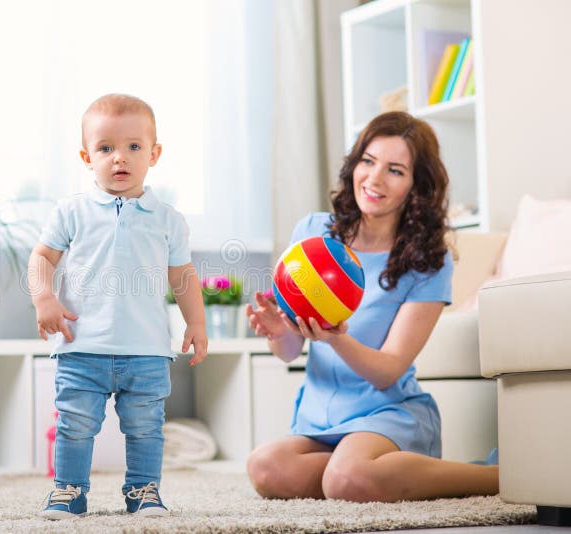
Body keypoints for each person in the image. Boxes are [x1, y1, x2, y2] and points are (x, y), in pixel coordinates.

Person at [245, 111, 498, 502]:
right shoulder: (312, 234)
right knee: (266, 468)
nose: (374, 179)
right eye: (368, 161)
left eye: (395, 170)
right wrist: (279, 332)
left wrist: (335, 338)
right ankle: (364, 473)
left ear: (416, 186)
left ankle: (496, 476)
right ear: (354, 164)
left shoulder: (427, 260)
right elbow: (291, 350)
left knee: (348, 480)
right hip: (322, 417)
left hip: (386, 413)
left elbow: (389, 370)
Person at [28, 94, 208, 519]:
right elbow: (41, 258)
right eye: (105, 148)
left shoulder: (167, 219)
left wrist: (196, 323)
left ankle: (143, 491)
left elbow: (182, 277)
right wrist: (43, 297)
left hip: (146, 350)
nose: (119, 158)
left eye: (133, 147)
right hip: (81, 346)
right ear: (86, 157)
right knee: (75, 425)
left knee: (146, 427)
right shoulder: (71, 211)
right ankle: (69, 490)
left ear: (154, 153)